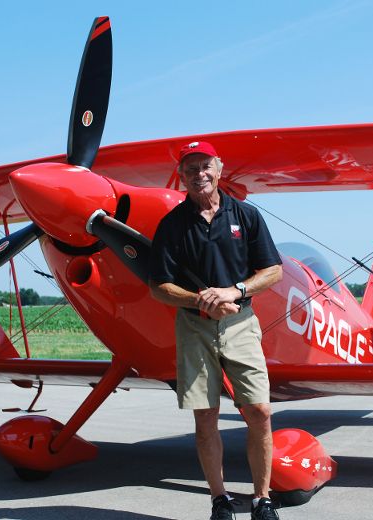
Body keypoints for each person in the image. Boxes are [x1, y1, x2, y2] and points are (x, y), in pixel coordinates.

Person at [149, 141, 283, 520]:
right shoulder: (172, 225)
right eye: (190, 169)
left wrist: (234, 291)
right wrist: (200, 301)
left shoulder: (247, 215)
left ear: (219, 168)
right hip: (194, 327)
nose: (199, 174)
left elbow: (272, 270)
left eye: (205, 165)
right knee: (205, 416)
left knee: (258, 411)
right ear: (182, 176)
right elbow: (158, 285)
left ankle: (262, 499)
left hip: (241, 323)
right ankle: (220, 499)